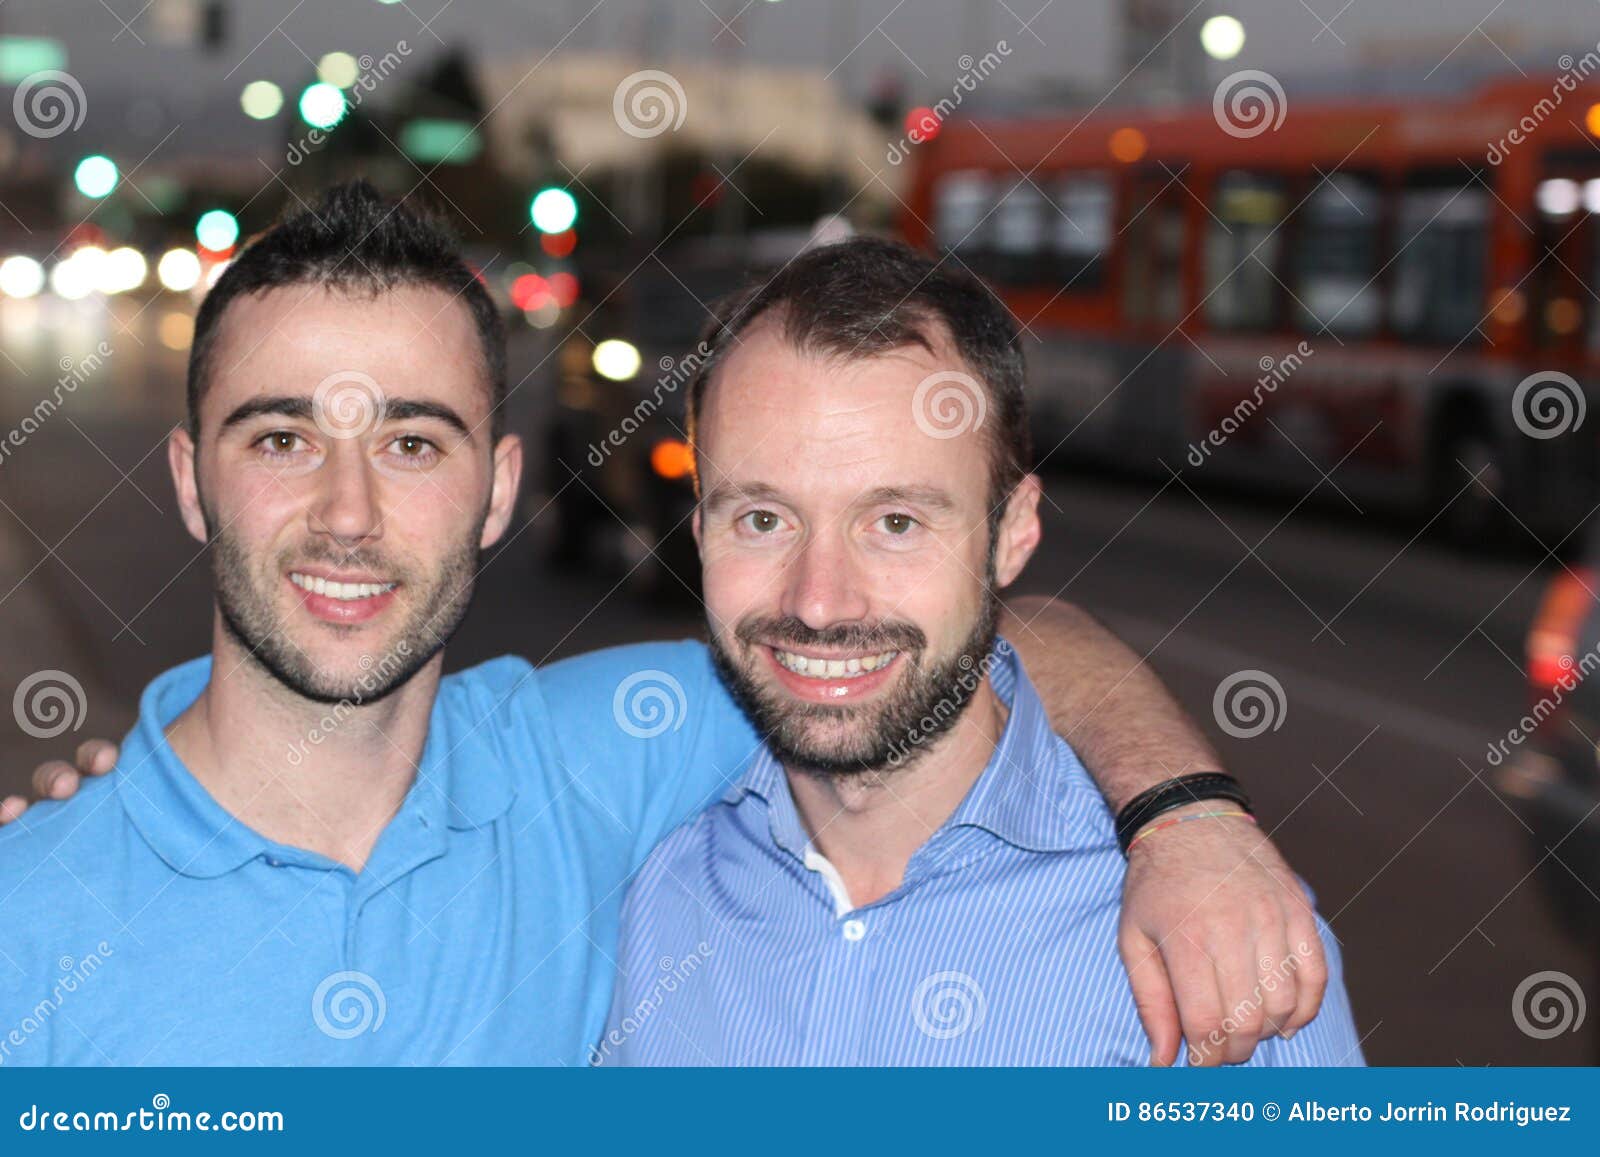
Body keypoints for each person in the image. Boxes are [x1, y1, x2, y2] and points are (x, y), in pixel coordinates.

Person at [1, 181, 1324, 1066]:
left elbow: (955, 635)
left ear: (499, 490)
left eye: (413, 440)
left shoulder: (601, 760)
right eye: (282, 436)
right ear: (189, 478)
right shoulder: (33, 917)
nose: (348, 514)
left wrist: (1186, 814)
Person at [593, 239, 1360, 1065]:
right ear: (702, 529)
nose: (817, 601)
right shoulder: (629, 881)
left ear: (1013, 533)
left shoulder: (1222, 946)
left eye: (896, 523)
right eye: (764, 519)